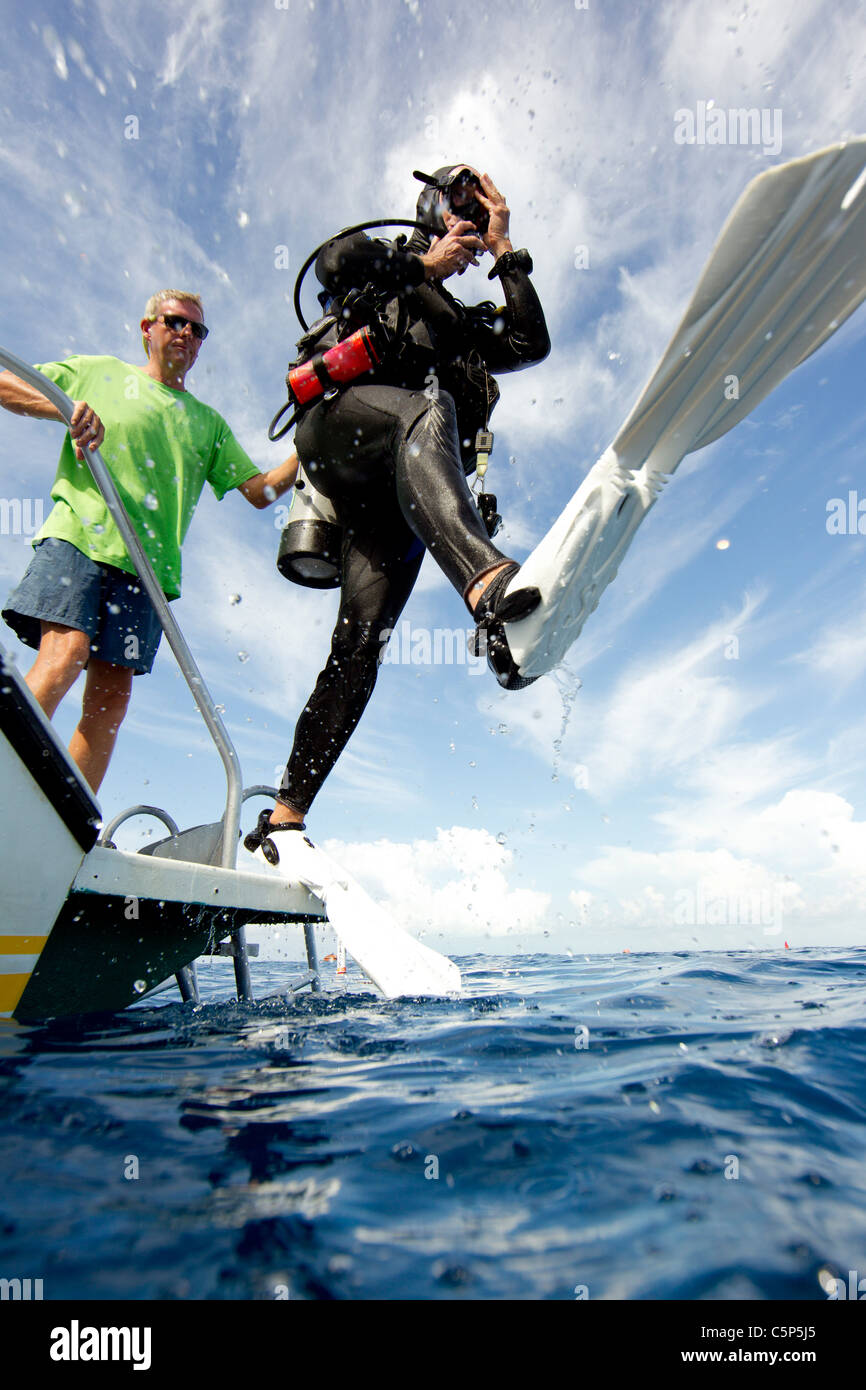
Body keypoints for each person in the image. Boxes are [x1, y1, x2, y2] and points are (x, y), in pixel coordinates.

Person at [249, 165, 549, 853]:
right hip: (339, 431)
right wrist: (424, 263)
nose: (469, 216)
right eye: (461, 202)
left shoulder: (455, 323)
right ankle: (484, 583)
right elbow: (333, 259)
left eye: (480, 209)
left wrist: (506, 251)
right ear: (432, 205)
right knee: (426, 407)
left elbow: (530, 344)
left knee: (360, 646)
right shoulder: (386, 269)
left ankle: (286, 813)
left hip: (398, 495)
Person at [0, 290, 299, 792]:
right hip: (81, 539)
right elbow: (6, 384)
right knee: (65, 654)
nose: (186, 333)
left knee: (112, 699)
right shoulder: (98, 371)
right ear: (148, 327)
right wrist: (63, 409)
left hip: (148, 575)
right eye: (175, 322)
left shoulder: (208, 424)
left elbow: (260, 491)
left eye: (197, 329)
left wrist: (309, 448)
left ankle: (67, 821)